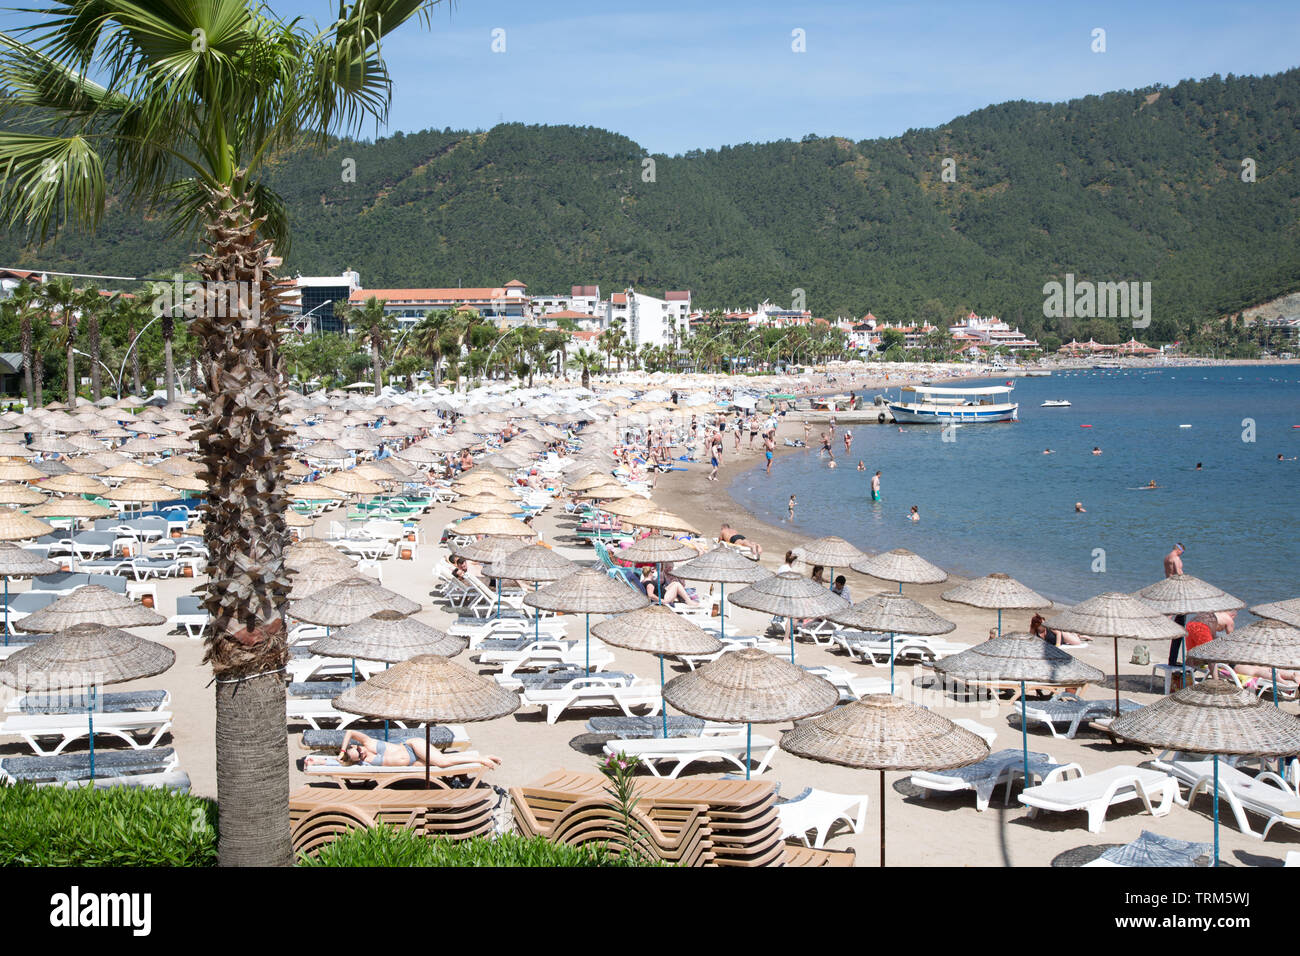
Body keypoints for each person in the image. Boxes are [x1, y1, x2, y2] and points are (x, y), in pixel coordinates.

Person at [304, 729, 502, 770]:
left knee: (442, 762)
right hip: (412, 761)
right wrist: (317, 761)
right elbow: (339, 764)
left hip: (412, 746)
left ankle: (481, 760)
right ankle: (481, 757)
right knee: (443, 760)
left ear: (356, 747)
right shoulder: (362, 761)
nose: (362, 756)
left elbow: (349, 732)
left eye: (360, 752)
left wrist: (342, 749)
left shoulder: (369, 743)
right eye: (359, 758)